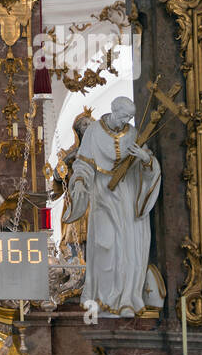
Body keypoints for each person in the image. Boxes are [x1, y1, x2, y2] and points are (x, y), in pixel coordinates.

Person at [62, 97, 164, 317]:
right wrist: (79, 181)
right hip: (103, 196)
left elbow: (149, 168)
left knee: (128, 249)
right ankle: (103, 298)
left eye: (129, 117)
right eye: (123, 116)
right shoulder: (94, 133)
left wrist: (145, 158)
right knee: (106, 246)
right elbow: (83, 164)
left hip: (128, 197)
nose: (126, 120)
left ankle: (127, 299)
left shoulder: (132, 133)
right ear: (113, 110)